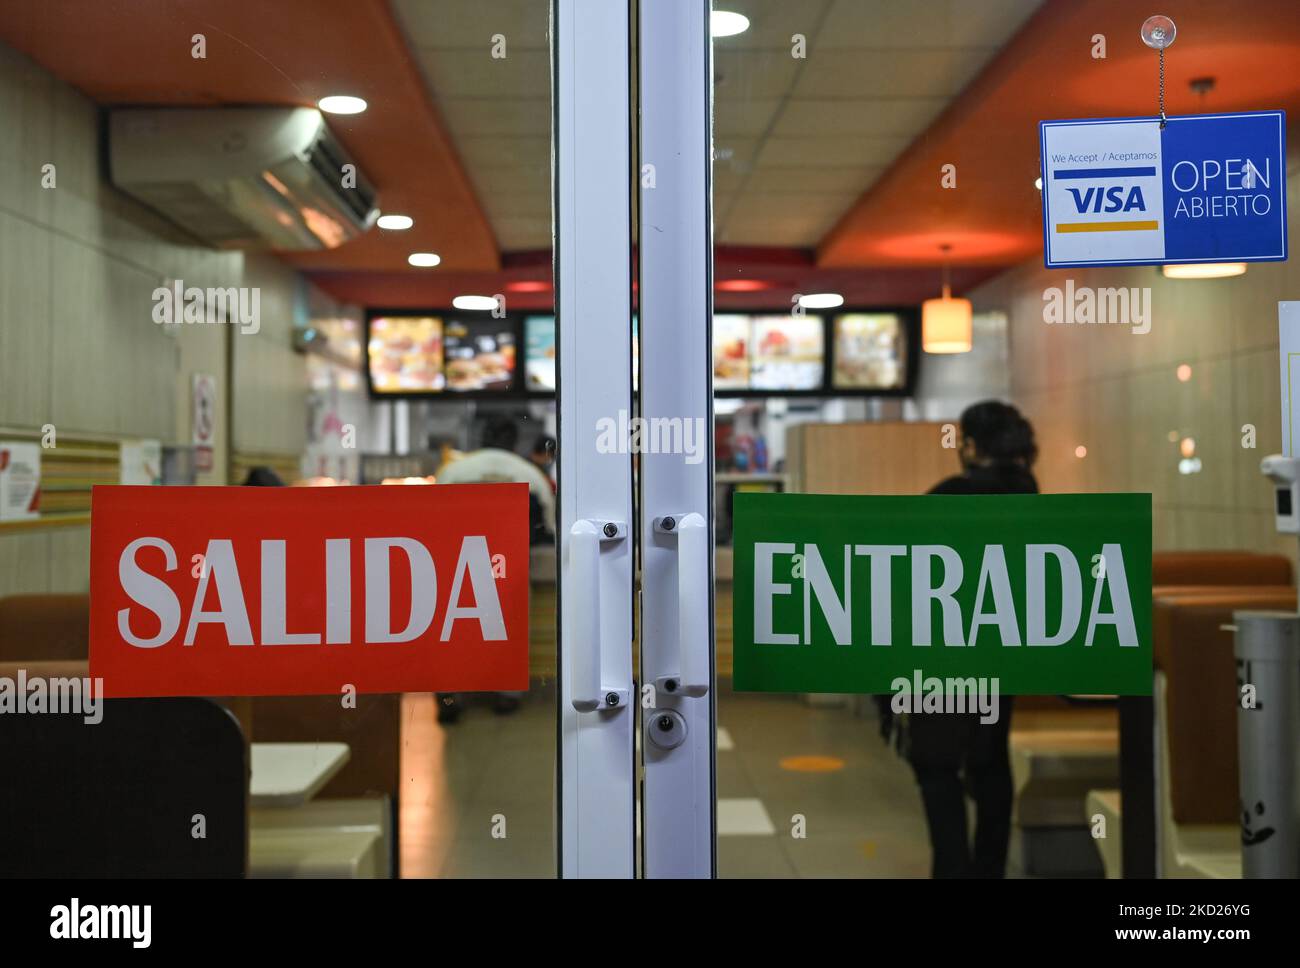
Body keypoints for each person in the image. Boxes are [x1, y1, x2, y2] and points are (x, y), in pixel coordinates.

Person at [900, 400, 1038, 878]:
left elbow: (907, 565)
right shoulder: (1031, 497)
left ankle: (952, 869)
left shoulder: (952, 495)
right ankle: (989, 868)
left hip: (943, 653)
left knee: (936, 763)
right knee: (990, 760)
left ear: (973, 445)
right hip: (1005, 648)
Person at [433, 417, 554, 723]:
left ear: (481, 438)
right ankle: (507, 695)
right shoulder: (530, 475)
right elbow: (546, 529)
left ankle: (449, 697)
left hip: (454, 565)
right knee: (509, 628)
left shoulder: (453, 472)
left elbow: (430, 519)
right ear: (514, 442)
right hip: (509, 568)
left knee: (451, 634)